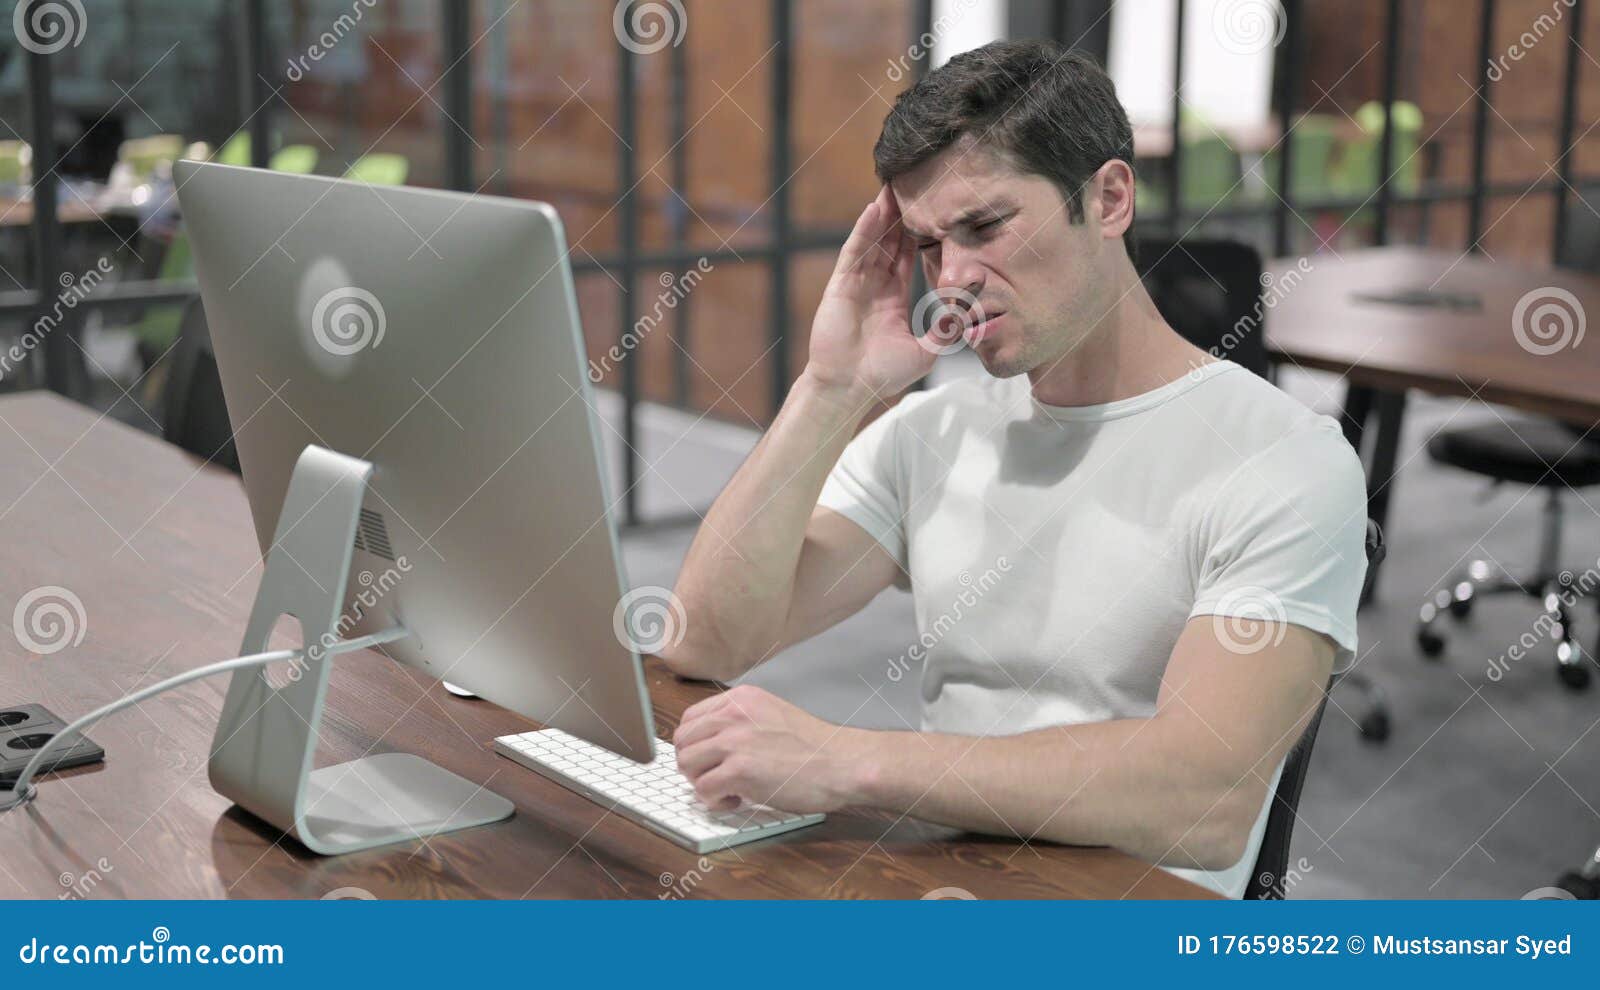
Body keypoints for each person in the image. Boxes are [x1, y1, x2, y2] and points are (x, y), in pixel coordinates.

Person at [657, 39, 1367, 898]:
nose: (952, 281)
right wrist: (831, 388)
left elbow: (1203, 798)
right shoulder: (937, 430)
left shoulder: (1283, 461)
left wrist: (850, 762)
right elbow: (709, 639)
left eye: (985, 227)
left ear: (1108, 199)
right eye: (926, 245)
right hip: (949, 876)